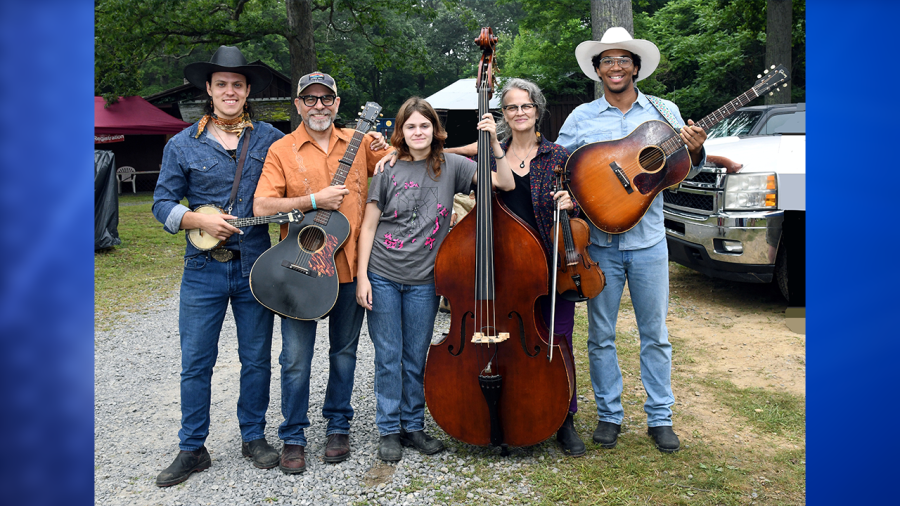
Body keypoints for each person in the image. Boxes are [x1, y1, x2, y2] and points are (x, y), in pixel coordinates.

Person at [555, 27, 707, 454]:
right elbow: (562, 166)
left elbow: (682, 171)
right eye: (607, 60)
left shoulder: (664, 111)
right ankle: (609, 416)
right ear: (597, 69)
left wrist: (695, 150)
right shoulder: (581, 117)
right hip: (598, 243)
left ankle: (660, 418)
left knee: (654, 334)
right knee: (600, 335)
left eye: (623, 59)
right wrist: (569, 193)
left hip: (648, 242)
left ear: (636, 67)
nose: (615, 66)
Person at [151, 46, 285, 487]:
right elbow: (161, 204)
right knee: (196, 361)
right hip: (202, 267)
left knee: (256, 359)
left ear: (248, 92)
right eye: (222, 84)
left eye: (238, 85)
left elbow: (300, 181)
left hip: (256, 267)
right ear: (208, 89)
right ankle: (192, 448)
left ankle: (254, 437)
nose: (230, 91)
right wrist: (197, 218)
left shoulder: (271, 139)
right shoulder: (180, 144)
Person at [358, 97, 513, 462]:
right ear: (401, 132)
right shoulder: (386, 169)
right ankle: (388, 429)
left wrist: (492, 144)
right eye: (410, 126)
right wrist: (362, 276)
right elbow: (368, 225)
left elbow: (504, 183)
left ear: (435, 131)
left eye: (424, 126)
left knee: (415, 356)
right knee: (388, 355)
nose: (418, 132)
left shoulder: (453, 165)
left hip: (425, 280)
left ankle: (413, 426)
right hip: (382, 273)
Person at [253, 71, 389, 474]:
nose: (318, 106)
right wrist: (314, 199)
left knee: (344, 353)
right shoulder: (282, 149)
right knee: (295, 359)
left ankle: (338, 426)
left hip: (349, 268)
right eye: (309, 99)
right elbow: (261, 206)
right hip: (300, 273)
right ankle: (293, 435)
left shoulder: (362, 142)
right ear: (297, 105)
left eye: (325, 98)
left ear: (337, 103)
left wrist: (387, 146)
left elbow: (403, 167)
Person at [442, 78, 586, 456]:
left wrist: (571, 204)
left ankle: (565, 417)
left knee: (558, 341)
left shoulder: (558, 156)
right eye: (511, 107)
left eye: (526, 106)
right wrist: (399, 153)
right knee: (506, 345)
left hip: (549, 265)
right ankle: (508, 411)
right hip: (499, 267)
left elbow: (581, 207)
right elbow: (445, 168)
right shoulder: (489, 153)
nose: (519, 113)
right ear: (501, 114)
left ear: (537, 110)